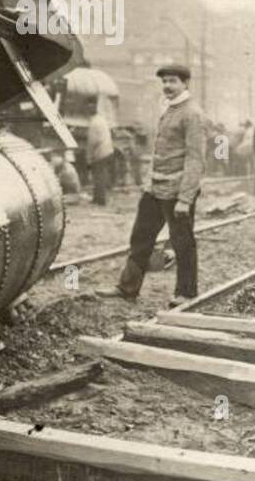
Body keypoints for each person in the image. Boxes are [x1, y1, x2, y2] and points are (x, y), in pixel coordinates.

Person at [97, 63, 206, 307]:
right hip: (155, 189)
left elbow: (195, 159)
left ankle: (187, 293)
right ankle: (127, 288)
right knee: (140, 237)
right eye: (164, 81)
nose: (167, 86)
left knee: (182, 243)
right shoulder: (168, 109)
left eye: (172, 81)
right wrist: (148, 183)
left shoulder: (192, 113)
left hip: (177, 192)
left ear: (185, 83)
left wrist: (185, 199)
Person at [85, 109, 115, 205]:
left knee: (98, 176)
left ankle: (101, 200)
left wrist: (89, 157)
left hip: (101, 151)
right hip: (108, 149)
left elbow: (92, 141)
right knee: (100, 175)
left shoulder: (93, 123)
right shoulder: (101, 119)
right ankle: (97, 198)